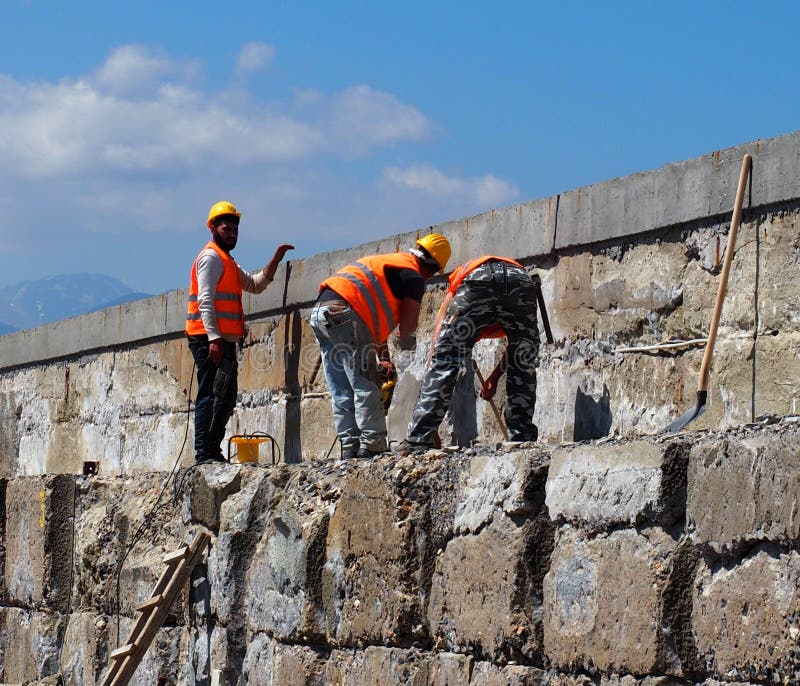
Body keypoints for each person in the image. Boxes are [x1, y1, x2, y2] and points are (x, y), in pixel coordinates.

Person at [310, 234, 451, 460]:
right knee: (365, 382)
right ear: (431, 269)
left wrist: (383, 358)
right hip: (345, 311)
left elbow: (371, 319)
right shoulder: (413, 277)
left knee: (340, 387)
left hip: (321, 312)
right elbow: (407, 328)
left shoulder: (390, 263)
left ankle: (350, 447)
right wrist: (409, 358)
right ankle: (374, 443)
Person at [185, 200, 294, 463]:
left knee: (225, 396)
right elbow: (205, 300)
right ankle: (204, 453)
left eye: (235, 230)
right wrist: (214, 337)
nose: (232, 234)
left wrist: (276, 260)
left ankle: (212, 450)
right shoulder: (211, 258)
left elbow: (255, 285)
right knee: (212, 395)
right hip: (209, 338)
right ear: (213, 228)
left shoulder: (228, 262)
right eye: (226, 229)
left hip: (222, 340)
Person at [398, 255, 540, 453]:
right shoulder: (505, 310)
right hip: (521, 280)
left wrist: (435, 361)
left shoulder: (460, 282)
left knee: (446, 358)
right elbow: (517, 349)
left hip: (478, 278)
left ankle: (419, 438)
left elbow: (441, 335)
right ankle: (522, 435)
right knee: (524, 358)